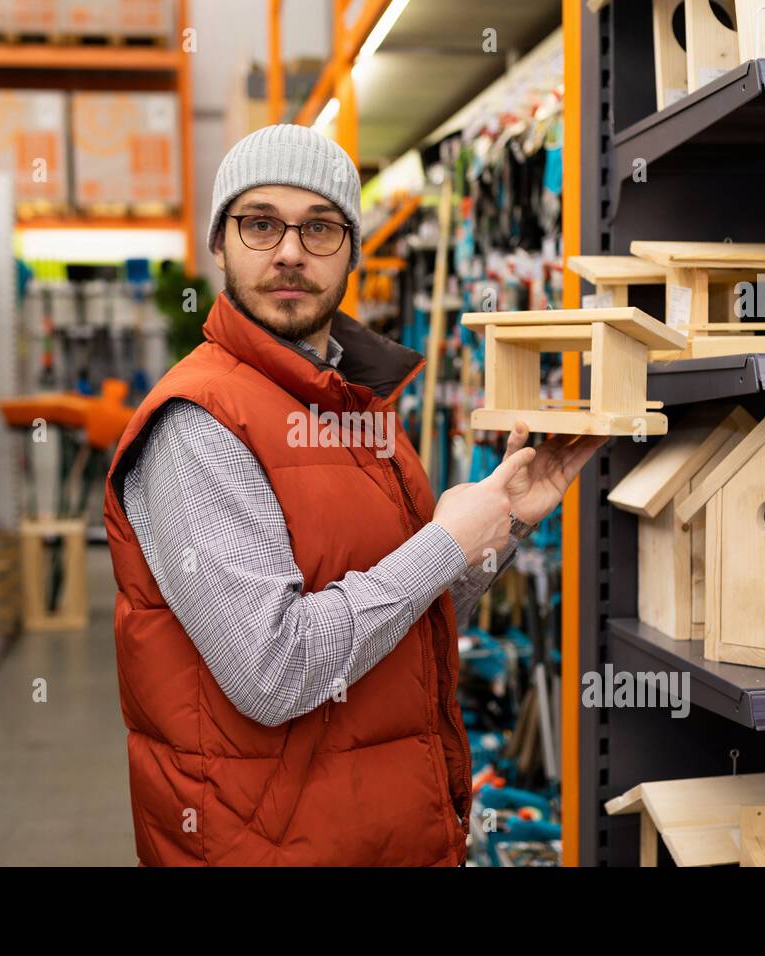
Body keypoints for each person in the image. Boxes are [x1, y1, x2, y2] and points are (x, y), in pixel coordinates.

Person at [103, 124, 603, 866]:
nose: (290, 251)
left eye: (321, 227)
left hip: (379, 832)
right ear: (220, 244)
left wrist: (493, 539)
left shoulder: (355, 409)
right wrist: (443, 543)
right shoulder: (198, 425)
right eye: (260, 222)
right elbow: (274, 674)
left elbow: (399, 629)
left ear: (352, 251)